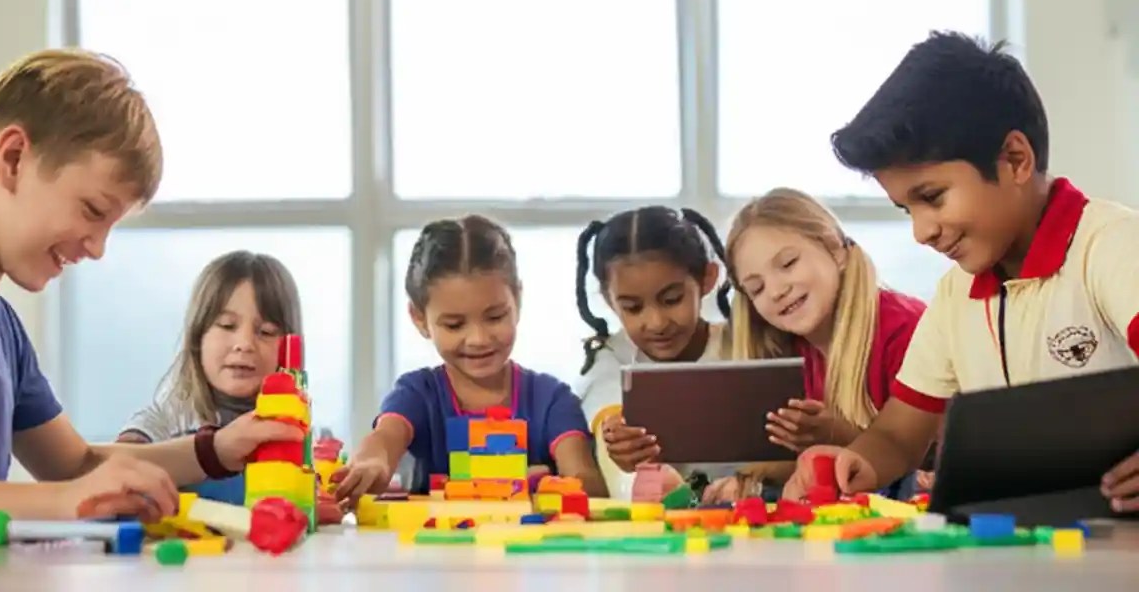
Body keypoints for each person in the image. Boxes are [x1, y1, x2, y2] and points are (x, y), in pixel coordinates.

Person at [0, 50, 293, 540]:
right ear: (14, 158)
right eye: (92, 210)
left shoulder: (1, 329)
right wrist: (58, 503)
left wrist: (215, 450)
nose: (98, 248)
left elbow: (74, 465)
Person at [781, 31, 1139, 513]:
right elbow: (897, 433)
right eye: (907, 209)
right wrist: (854, 461)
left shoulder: (1110, 246)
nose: (922, 232)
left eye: (932, 197)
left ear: (1015, 159)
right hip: (1023, 549)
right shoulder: (956, 295)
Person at [332, 215, 607, 504]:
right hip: (434, 549)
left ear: (518, 300)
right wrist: (370, 462)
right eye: (454, 325)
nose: (478, 338)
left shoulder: (552, 399)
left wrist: (540, 486)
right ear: (419, 319)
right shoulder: (417, 393)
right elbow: (385, 439)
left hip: (529, 549)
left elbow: (588, 482)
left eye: (495, 317)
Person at [705, 188, 926, 502]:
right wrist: (749, 482)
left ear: (836, 249)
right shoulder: (785, 352)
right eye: (757, 288)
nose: (777, 290)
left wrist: (837, 435)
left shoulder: (906, 329)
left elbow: (922, 463)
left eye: (788, 263)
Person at [572, 206, 734, 499]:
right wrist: (618, 436)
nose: (656, 323)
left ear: (708, 278)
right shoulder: (611, 358)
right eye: (632, 308)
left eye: (672, 299)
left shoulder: (739, 345)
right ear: (609, 300)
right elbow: (608, 414)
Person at [116, 250, 303, 503]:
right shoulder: (162, 421)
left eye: (266, 332)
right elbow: (114, 472)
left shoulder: (295, 431)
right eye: (227, 326)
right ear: (197, 338)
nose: (245, 343)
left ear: (290, 349)